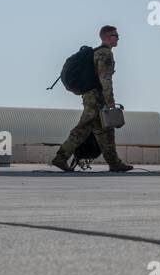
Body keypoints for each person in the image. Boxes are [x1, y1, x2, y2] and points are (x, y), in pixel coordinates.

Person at [52, 25, 133, 172]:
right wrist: (110, 101)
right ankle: (60, 157)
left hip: (92, 96)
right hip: (96, 98)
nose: (118, 38)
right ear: (107, 37)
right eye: (115, 36)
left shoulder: (98, 52)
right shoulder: (105, 53)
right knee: (82, 129)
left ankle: (114, 162)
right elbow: (105, 79)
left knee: (105, 131)